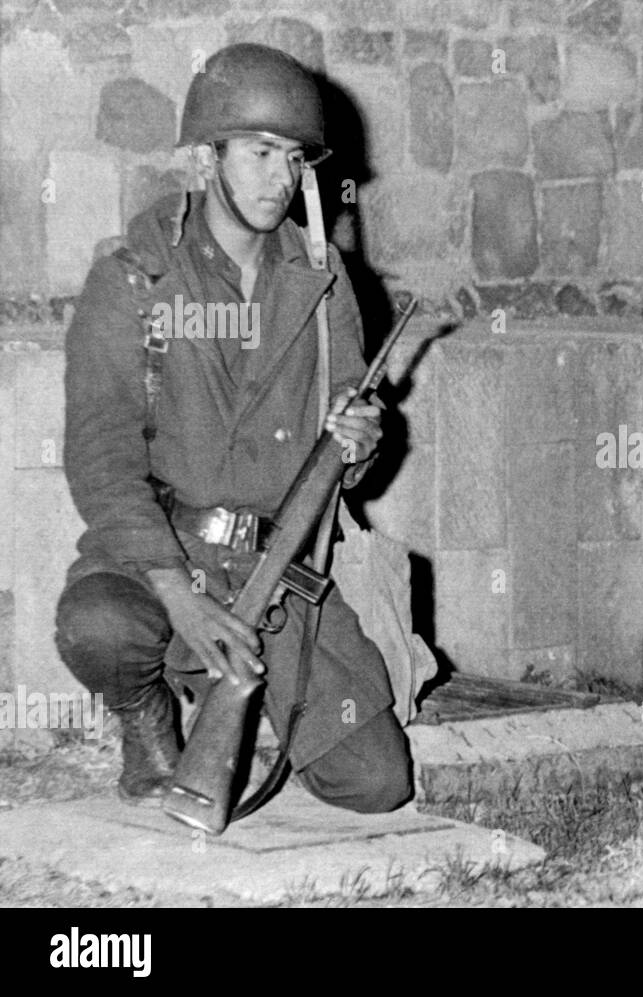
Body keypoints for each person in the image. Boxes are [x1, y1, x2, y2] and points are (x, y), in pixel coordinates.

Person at [54, 43, 413, 813]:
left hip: (275, 572)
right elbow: (100, 458)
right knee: (100, 626)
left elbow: (349, 413)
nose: (280, 178)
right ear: (207, 156)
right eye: (257, 153)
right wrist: (177, 592)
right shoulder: (135, 279)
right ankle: (148, 706)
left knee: (377, 782)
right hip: (164, 559)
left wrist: (359, 440)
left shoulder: (321, 279)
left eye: (293, 158)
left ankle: (238, 700)